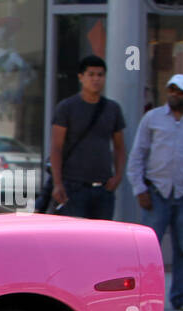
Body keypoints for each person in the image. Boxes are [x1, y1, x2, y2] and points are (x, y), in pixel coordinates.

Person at [128, 73, 183, 310]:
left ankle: (179, 298)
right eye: (171, 89)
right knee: (149, 250)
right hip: (156, 192)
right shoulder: (152, 118)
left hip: (182, 194)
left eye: (179, 91)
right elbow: (137, 155)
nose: (173, 94)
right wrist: (139, 188)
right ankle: (146, 298)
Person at [50, 55, 126, 219]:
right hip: (74, 186)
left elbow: (119, 146)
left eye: (100, 75)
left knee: (102, 239)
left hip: (104, 188)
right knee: (75, 239)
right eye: (91, 74)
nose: (96, 79)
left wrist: (118, 175)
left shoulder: (113, 109)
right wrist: (57, 184)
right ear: (81, 77)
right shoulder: (67, 108)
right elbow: (56, 147)